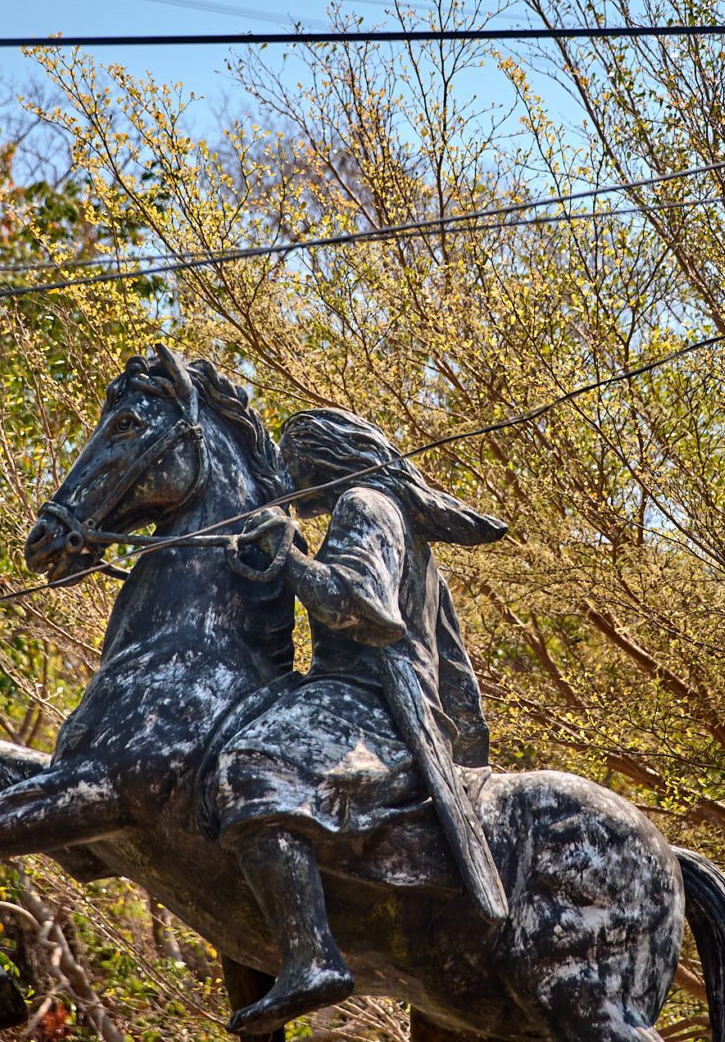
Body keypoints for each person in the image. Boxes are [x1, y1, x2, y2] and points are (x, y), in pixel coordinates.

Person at [209, 408, 508, 1034]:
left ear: (322, 456)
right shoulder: (407, 535)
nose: (286, 476)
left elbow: (354, 604)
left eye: (292, 459)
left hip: (366, 704)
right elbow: (456, 674)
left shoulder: (364, 503)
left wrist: (288, 553)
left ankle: (310, 959)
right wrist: (465, 756)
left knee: (247, 768)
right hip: (385, 708)